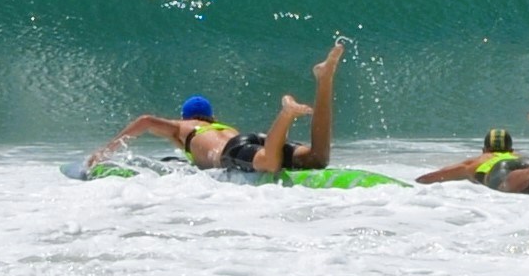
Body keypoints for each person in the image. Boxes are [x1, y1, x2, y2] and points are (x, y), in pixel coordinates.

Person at [99, 38, 348, 177]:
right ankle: (324, 79)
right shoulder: (219, 126)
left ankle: (286, 113)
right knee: (317, 159)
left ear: (185, 117)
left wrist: (104, 153)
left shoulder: (182, 128)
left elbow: (145, 120)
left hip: (232, 151)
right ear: (212, 117)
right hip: (253, 139)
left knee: (270, 164)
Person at [419, 104, 529, 194]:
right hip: (528, 162)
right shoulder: (517, 155)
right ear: (511, 149)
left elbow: (436, 176)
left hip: (502, 169)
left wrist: (417, 182)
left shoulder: (476, 161)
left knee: (505, 184)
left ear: (484, 150)